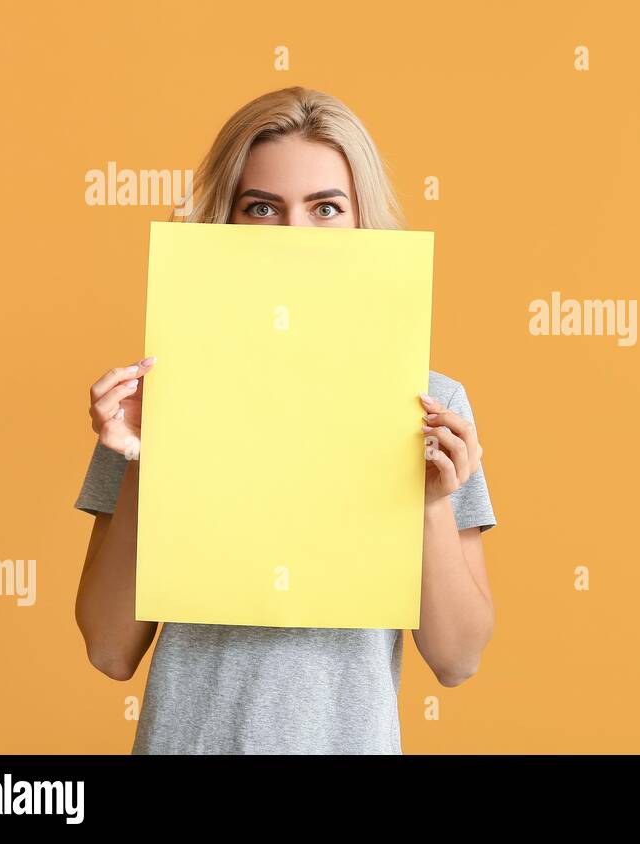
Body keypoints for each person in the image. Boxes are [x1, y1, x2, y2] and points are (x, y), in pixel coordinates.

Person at [72, 86, 496, 754]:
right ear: (227, 223)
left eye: (325, 208)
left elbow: (457, 659)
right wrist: (140, 460)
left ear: (362, 223)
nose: (295, 236)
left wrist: (431, 505)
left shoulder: (430, 401)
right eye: (262, 207)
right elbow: (108, 649)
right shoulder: (152, 399)